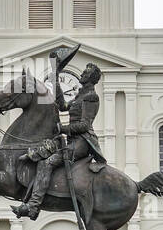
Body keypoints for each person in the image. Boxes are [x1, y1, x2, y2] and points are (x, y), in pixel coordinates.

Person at [12, 62, 106, 221]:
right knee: (40, 154)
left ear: (92, 78)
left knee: (47, 163)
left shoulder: (91, 97)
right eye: (83, 71)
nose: (82, 74)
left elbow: (85, 125)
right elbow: (62, 106)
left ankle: (33, 207)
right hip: (70, 141)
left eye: (86, 73)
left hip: (81, 143)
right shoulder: (81, 95)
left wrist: (62, 129)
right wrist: (55, 78)